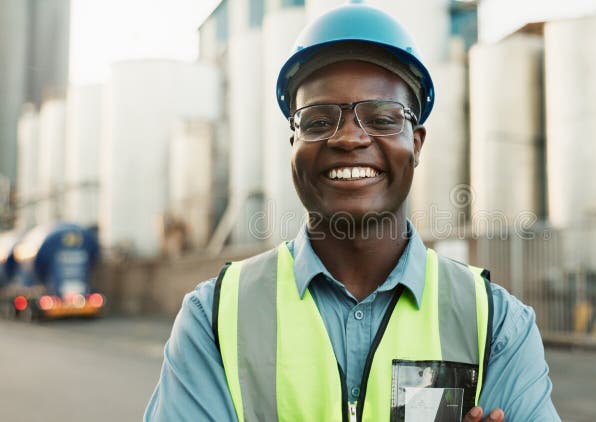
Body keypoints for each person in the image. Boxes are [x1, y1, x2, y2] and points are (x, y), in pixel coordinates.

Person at [145, 2, 559, 421]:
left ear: (416, 143)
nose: (348, 138)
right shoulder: (215, 319)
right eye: (318, 120)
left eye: (381, 117)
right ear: (294, 144)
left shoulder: (495, 324)